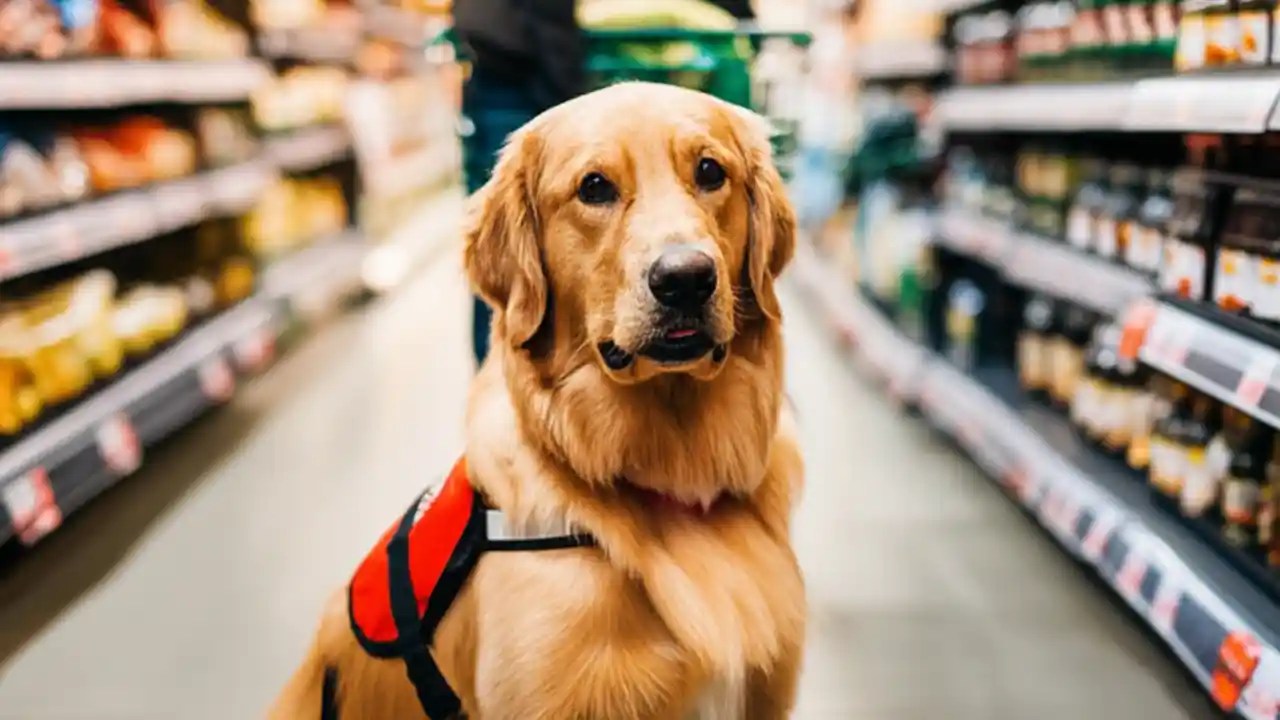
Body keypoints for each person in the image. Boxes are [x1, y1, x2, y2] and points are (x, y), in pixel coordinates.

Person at [454, 0, 583, 367]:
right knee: (507, 239)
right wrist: (573, 98)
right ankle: (503, 376)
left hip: (499, 60)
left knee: (508, 246)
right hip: (524, 69)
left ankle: (495, 370)